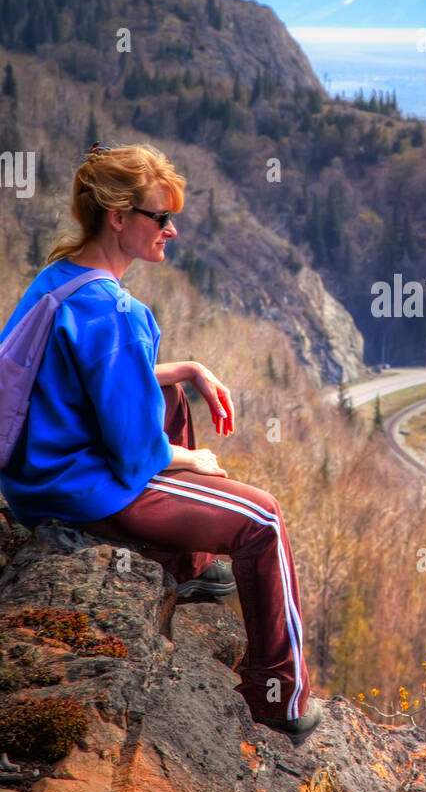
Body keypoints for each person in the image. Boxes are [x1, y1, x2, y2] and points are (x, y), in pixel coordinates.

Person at [0, 142, 321, 746]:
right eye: (160, 217)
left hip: (34, 474)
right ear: (118, 217)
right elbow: (133, 450)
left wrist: (183, 369)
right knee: (264, 520)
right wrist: (190, 459)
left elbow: (78, 379)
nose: (170, 230)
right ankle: (278, 696)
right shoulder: (116, 311)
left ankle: (188, 566)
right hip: (77, 489)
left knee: (171, 393)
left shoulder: (61, 278)